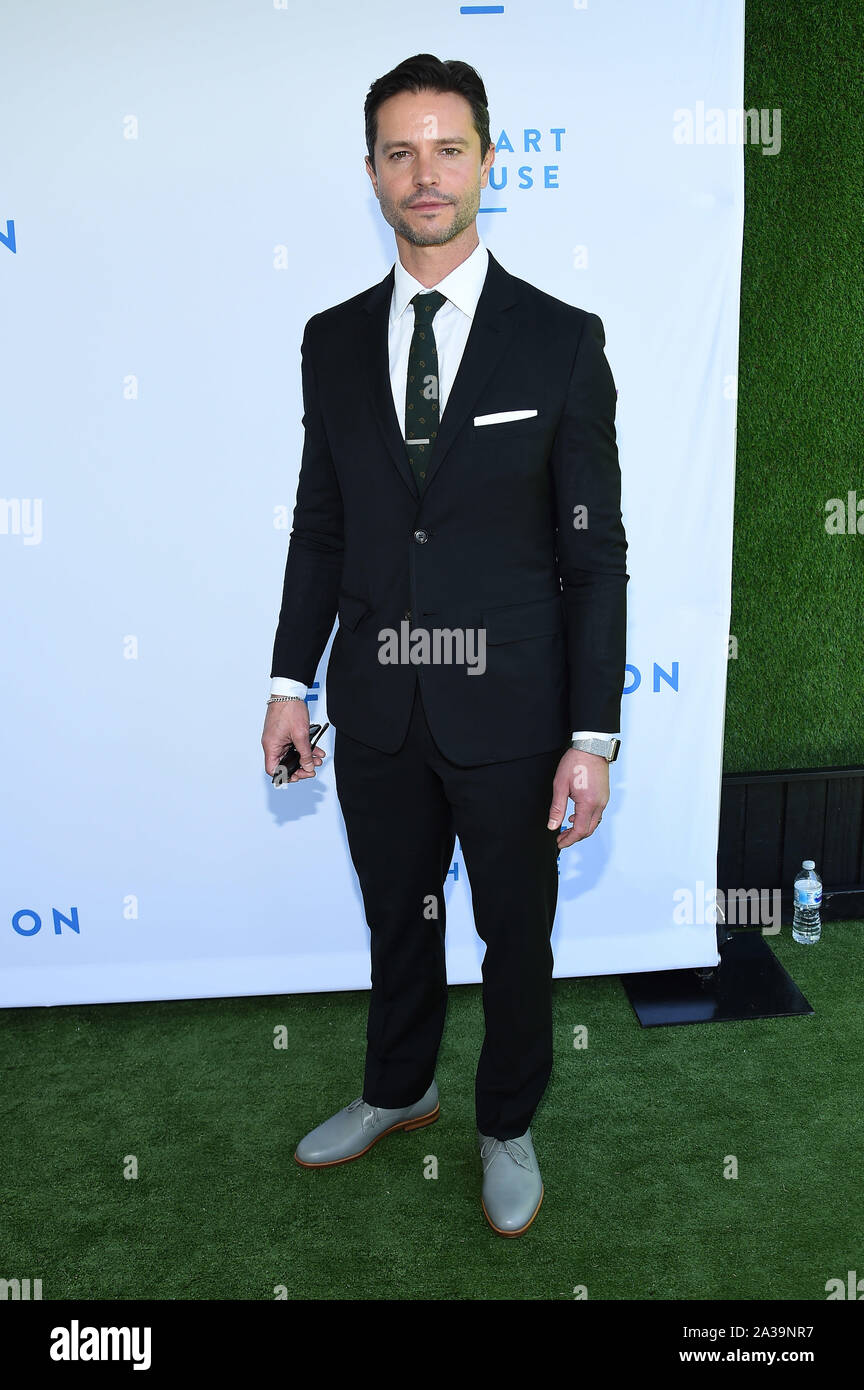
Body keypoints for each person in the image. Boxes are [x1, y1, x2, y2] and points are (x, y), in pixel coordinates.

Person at [261, 53, 628, 1237]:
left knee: (516, 931)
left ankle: (507, 1122)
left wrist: (592, 735)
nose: (426, 173)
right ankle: (398, 1087)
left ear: (487, 159)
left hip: (513, 710)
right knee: (396, 914)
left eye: (449, 147)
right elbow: (323, 526)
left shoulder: (561, 341)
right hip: (374, 706)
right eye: (401, 150)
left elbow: (595, 559)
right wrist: (286, 680)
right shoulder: (328, 341)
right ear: (371, 169)